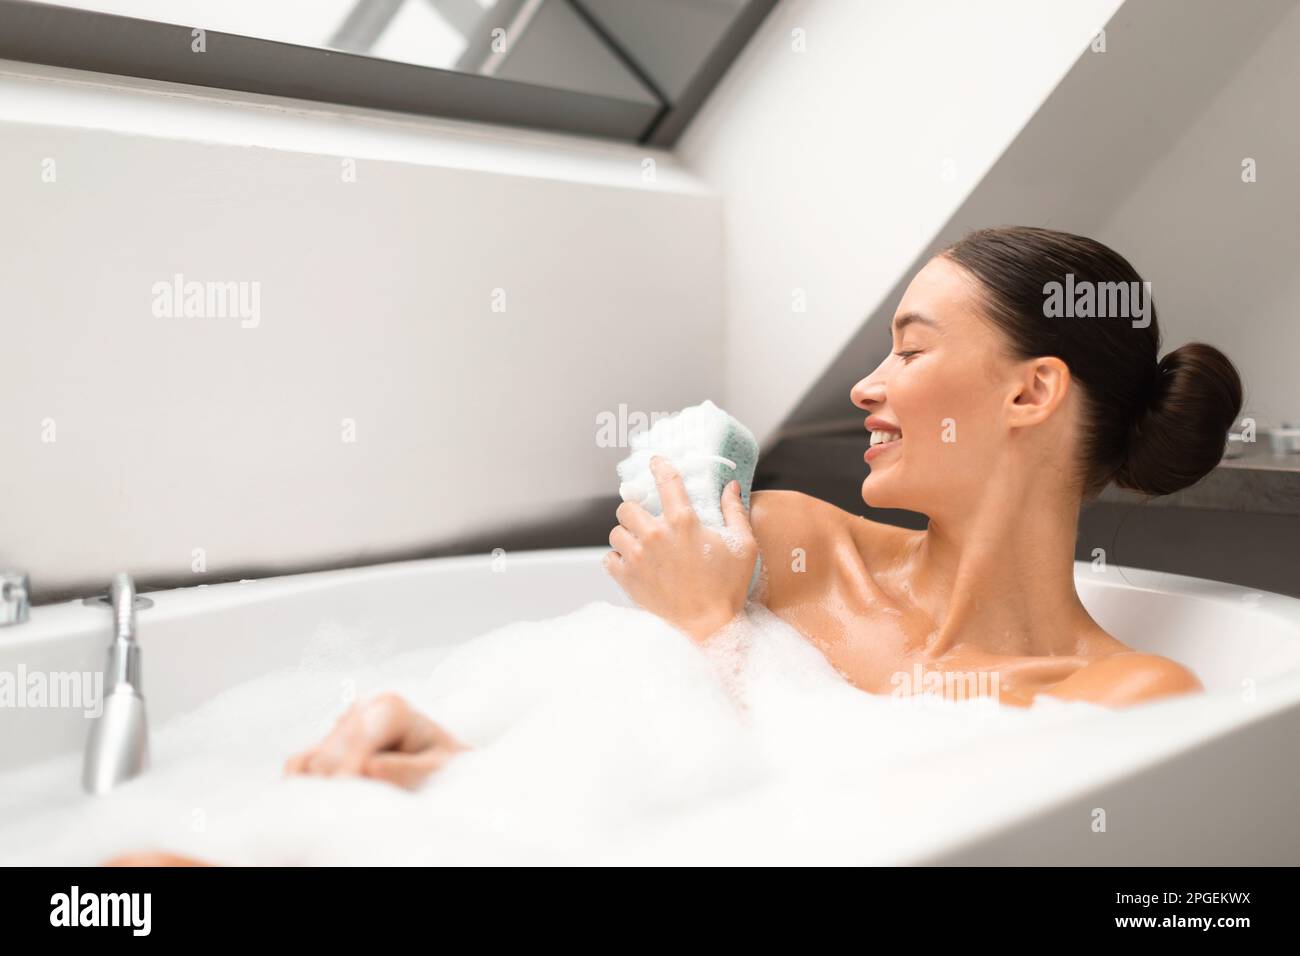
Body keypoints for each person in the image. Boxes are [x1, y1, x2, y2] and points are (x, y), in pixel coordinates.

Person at [106, 226, 1242, 864]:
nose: (867, 383)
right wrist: (442, 751)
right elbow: (615, 773)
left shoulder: (1133, 697)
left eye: (909, 349)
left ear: (1031, 390)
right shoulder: (793, 544)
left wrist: (712, 630)